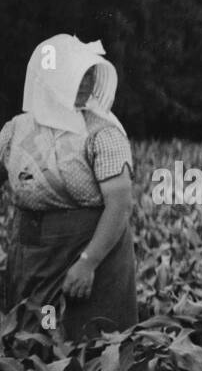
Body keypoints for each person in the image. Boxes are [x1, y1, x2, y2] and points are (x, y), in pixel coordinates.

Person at [0, 35, 137, 340]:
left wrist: (88, 263)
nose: (87, 82)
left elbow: (120, 205)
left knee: (91, 345)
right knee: (35, 339)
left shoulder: (103, 132)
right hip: (34, 256)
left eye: (90, 74)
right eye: (78, 75)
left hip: (91, 257)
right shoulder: (16, 130)